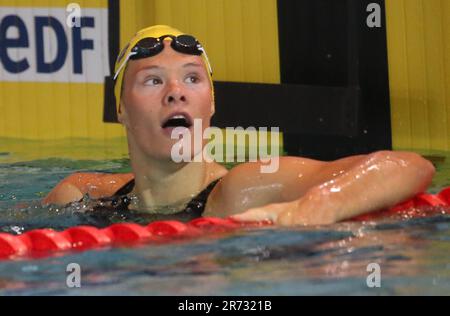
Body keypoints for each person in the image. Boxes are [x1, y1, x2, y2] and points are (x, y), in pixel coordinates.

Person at [42, 25, 435, 226]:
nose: (176, 92)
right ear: (121, 110)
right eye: (153, 80)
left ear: (210, 105)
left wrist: (316, 204)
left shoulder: (242, 191)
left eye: (192, 79)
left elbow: (408, 166)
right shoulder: (83, 195)